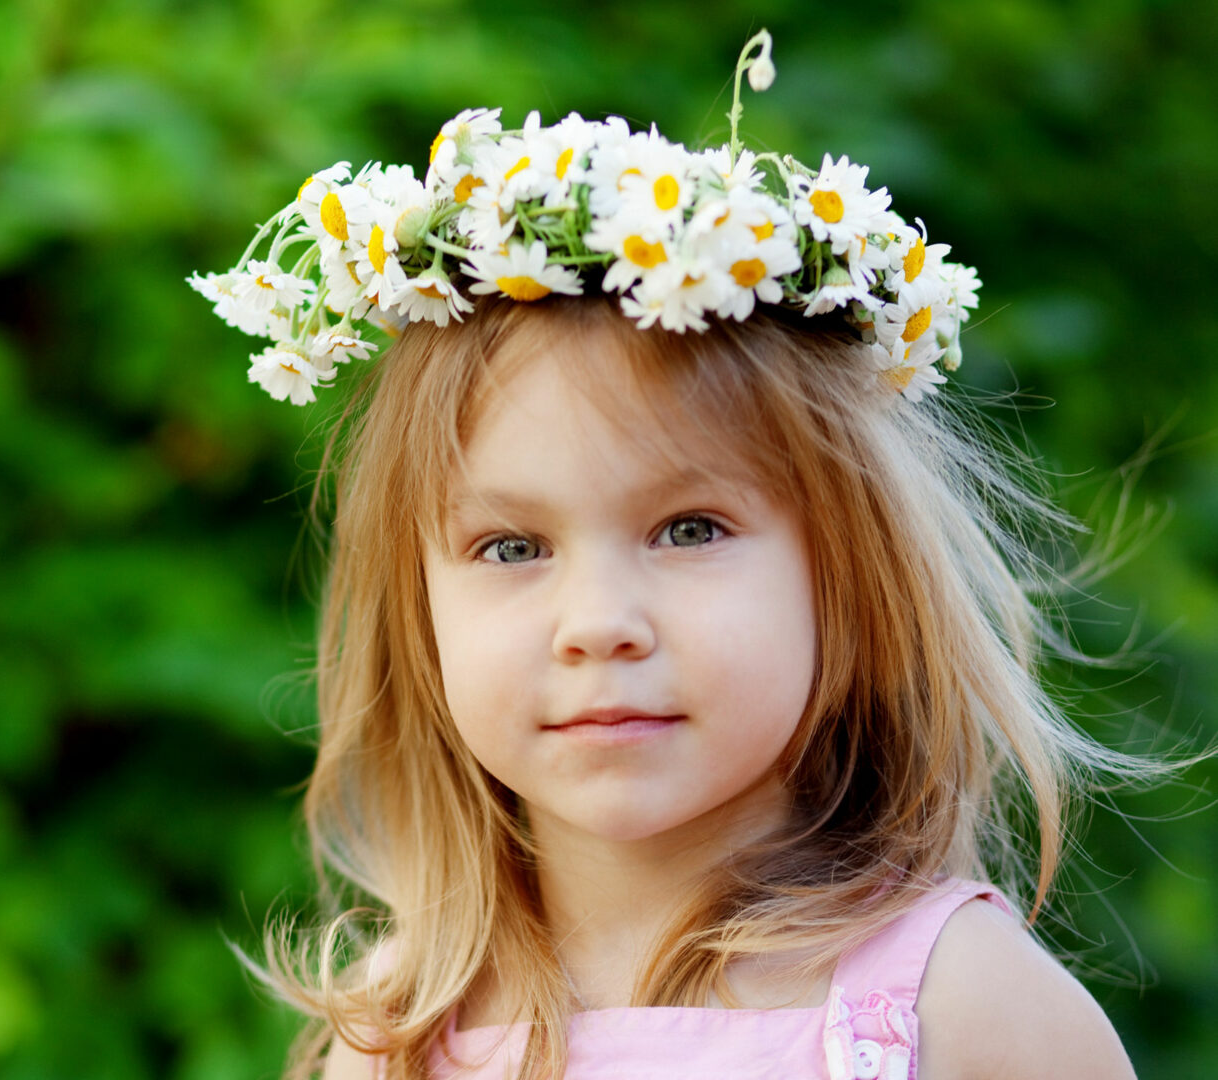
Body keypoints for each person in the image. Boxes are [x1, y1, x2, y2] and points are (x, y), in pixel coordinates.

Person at [190, 30, 1158, 1080]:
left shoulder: (969, 1017)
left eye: (689, 530)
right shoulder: (395, 1041)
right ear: (417, 614)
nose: (600, 621)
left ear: (849, 571)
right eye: (511, 546)